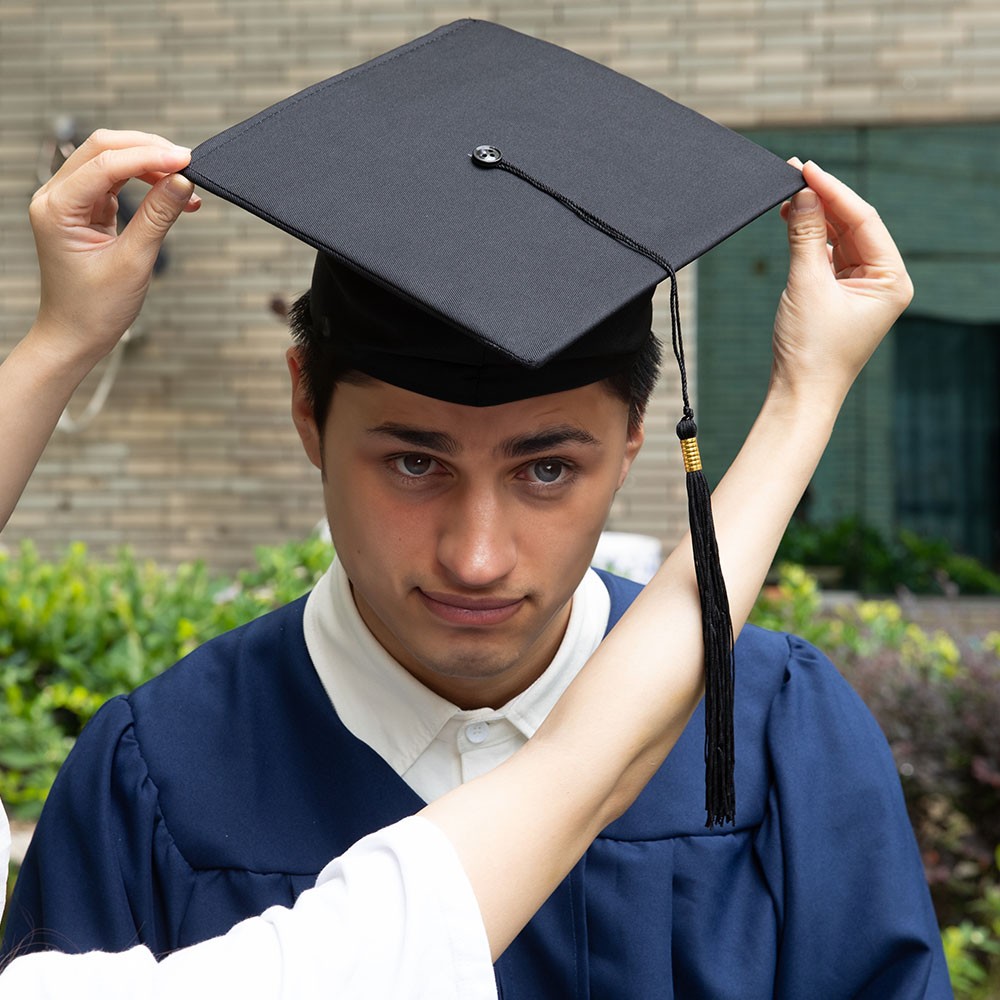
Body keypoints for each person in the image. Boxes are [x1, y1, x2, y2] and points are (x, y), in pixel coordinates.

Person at [2, 21, 951, 999]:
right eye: (414, 462)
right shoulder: (151, 775)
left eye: (545, 470)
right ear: (306, 406)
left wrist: (58, 341)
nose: (478, 556)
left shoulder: (782, 731)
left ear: (633, 436)